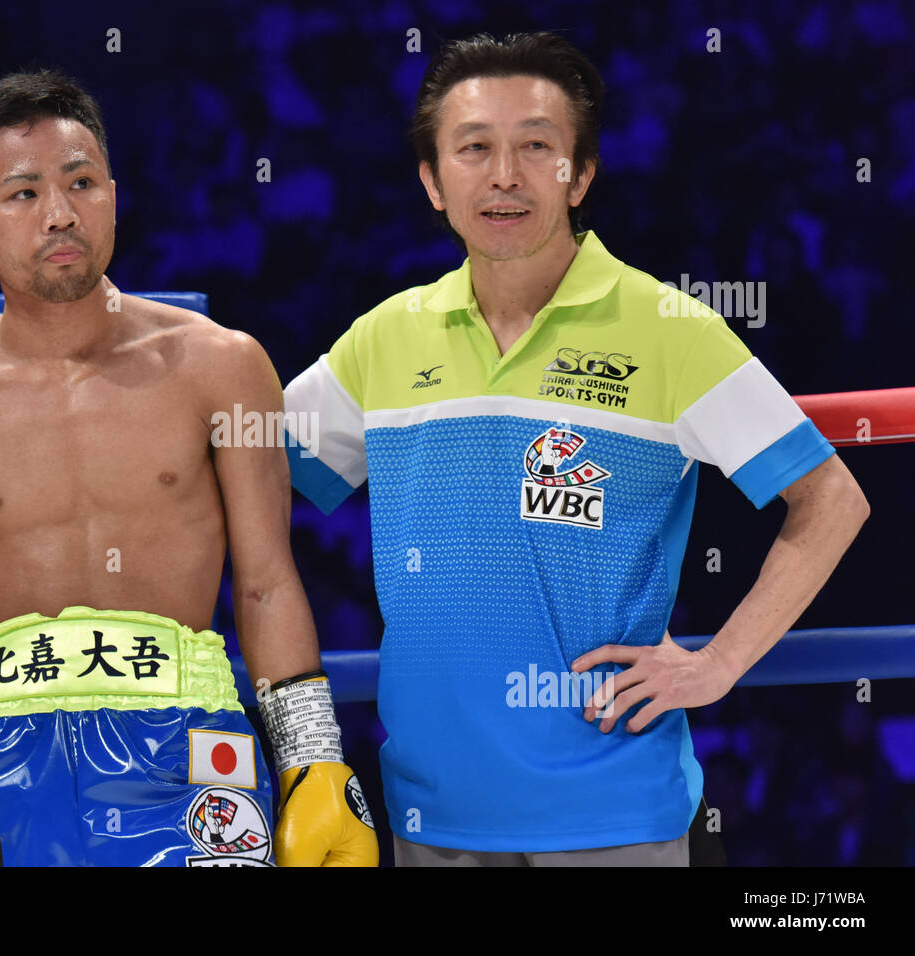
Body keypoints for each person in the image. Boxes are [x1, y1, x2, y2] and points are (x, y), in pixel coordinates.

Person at [281, 32, 869, 866]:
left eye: (536, 147)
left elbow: (832, 497)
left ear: (580, 174)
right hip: (427, 813)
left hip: (614, 816)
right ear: (433, 181)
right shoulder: (384, 337)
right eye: (473, 148)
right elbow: (249, 467)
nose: (504, 175)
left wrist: (717, 664)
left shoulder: (670, 328)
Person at [0, 69, 377, 867]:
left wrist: (313, 764)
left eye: (81, 183)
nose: (60, 214)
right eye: (23, 194)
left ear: (113, 196)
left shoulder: (222, 369)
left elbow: (266, 581)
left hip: (189, 746)